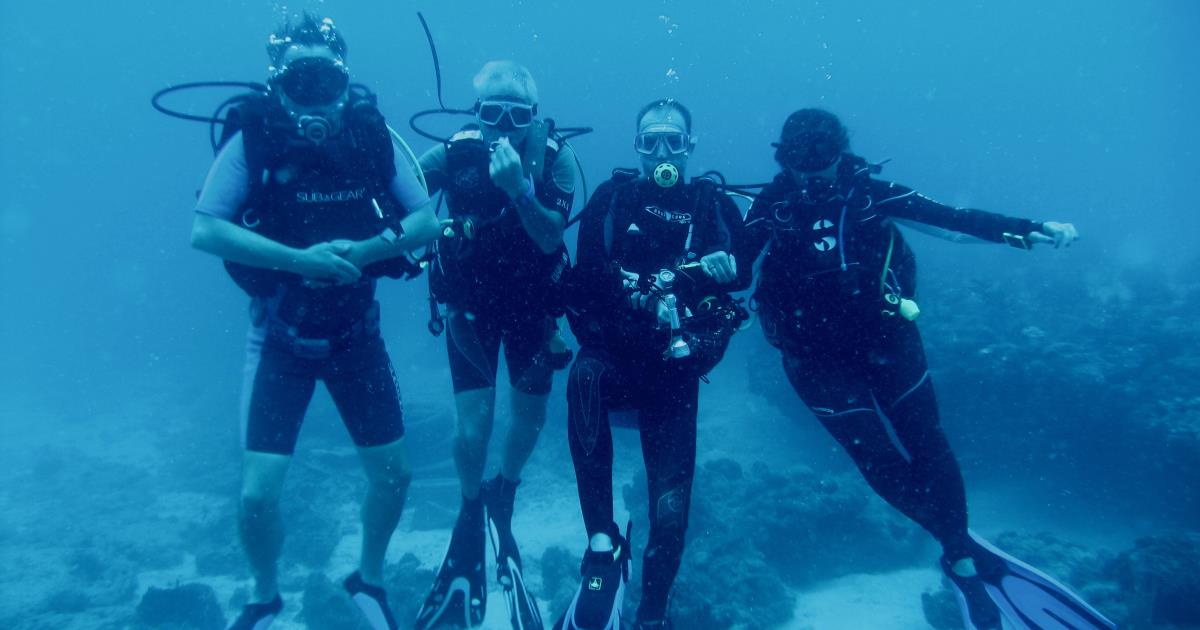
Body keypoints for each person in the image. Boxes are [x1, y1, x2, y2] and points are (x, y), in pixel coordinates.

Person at [734, 108, 1114, 630]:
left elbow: (955, 223)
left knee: (927, 439)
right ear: (784, 160)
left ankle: (958, 556)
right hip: (814, 359)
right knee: (877, 458)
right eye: (801, 157)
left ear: (842, 152)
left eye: (824, 154)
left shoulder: (873, 193)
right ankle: (954, 541)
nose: (814, 168)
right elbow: (732, 267)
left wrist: (1028, 229)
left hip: (887, 340)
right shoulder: (769, 208)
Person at [188, 14, 440, 630]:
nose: (314, 91)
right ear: (277, 79)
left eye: (324, 76)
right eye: (299, 77)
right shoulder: (254, 135)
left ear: (344, 78)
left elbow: (427, 221)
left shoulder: (369, 133)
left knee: (396, 475)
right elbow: (206, 228)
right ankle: (264, 595)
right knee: (257, 495)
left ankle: (369, 578)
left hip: (357, 336)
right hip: (280, 338)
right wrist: (300, 260)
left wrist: (365, 251)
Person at [554, 99, 745, 630]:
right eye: (650, 141)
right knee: (584, 376)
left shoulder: (712, 204)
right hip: (613, 357)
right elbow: (587, 270)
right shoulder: (614, 198)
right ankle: (601, 542)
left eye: (673, 141)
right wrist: (632, 290)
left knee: (669, 508)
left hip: (674, 369)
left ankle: (653, 611)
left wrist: (716, 273)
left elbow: (743, 274)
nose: (662, 153)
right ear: (636, 146)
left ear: (690, 146)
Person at [413, 61, 575, 630]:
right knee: (470, 430)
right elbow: (400, 192)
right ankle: (468, 507)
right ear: (474, 113)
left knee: (529, 420)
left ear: (534, 117)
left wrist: (520, 190)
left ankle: (503, 491)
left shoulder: (555, 156)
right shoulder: (455, 154)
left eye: (518, 115)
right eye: (491, 113)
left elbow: (553, 234)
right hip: (470, 310)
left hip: (533, 311)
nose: (503, 126)